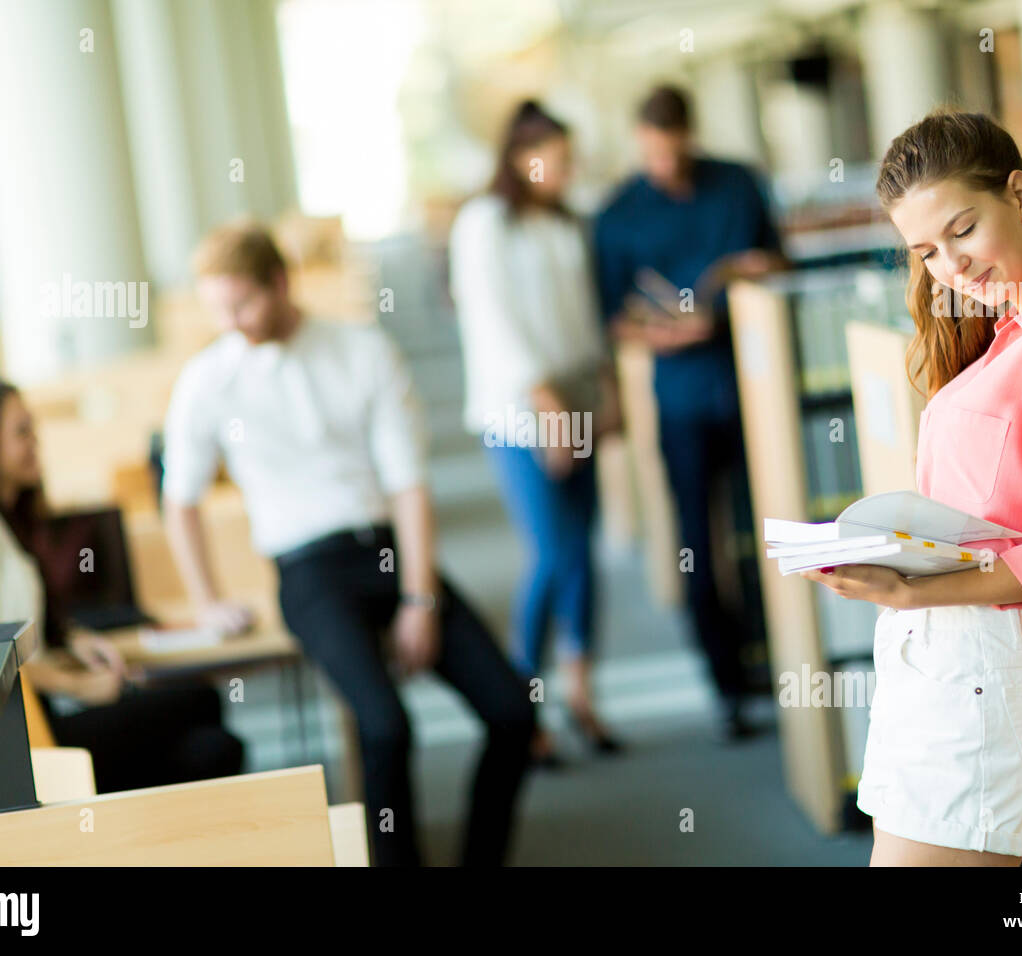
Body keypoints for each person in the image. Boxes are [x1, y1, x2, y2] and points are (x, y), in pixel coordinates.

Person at [801, 108, 1022, 866]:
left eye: (962, 230)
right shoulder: (1011, 336)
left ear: (1018, 193)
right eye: (926, 251)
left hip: (979, 697)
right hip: (935, 684)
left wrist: (913, 587)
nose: (950, 265)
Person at [162, 222, 536, 867]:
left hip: (387, 553)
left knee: (513, 712)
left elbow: (408, 487)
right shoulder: (208, 379)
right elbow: (181, 499)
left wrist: (420, 600)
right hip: (308, 572)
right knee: (386, 727)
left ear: (280, 283)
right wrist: (205, 600)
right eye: (218, 308)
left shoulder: (362, 350)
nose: (232, 322)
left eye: (243, 303)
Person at [0, 379, 244, 794]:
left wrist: (73, 641)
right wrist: (77, 685)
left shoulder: (2, 519)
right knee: (204, 701)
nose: (35, 441)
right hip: (15, 745)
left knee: (213, 749)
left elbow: (12, 622)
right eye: (21, 432)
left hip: (36, 719)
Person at [594, 84, 790, 738]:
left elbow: (776, 259)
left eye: (674, 153)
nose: (665, 166)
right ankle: (727, 685)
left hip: (755, 386)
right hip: (680, 399)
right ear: (639, 142)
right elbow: (612, 317)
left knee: (775, 526)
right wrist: (656, 333)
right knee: (697, 542)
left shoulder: (738, 183)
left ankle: (786, 659)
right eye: (654, 155)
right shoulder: (617, 214)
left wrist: (748, 272)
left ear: (690, 136)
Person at [450, 100, 623, 765]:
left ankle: (580, 690)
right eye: (560, 157)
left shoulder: (564, 225)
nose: (570, 170)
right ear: (524, 158)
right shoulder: (484, 223)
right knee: (552, 553)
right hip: (519, 415)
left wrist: (604, 392)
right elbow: (496, 326)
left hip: (576, 398)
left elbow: (585, 322)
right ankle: (521, 705)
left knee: (584, 554)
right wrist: (551, 410)